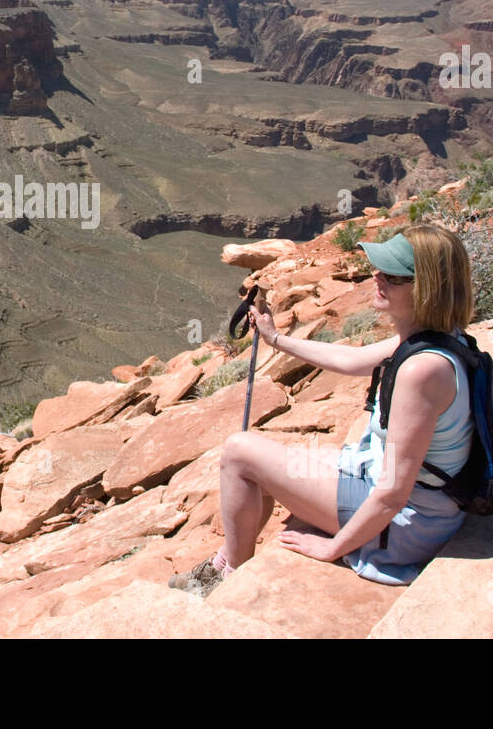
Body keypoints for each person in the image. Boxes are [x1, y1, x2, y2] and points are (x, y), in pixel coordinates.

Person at [168, 223, 475, 596]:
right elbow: (352, 360)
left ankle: (228, 580)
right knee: (272, 459)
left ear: (427, 287)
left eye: (393, 276)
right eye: (379, 268)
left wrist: (334, 547)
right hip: (409, 498)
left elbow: (393, 493)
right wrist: (276, 339)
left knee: (238, 452)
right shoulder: (437, 340)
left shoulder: (422, 370)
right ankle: (222, 564)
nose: (376, 277)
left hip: (405, 526)